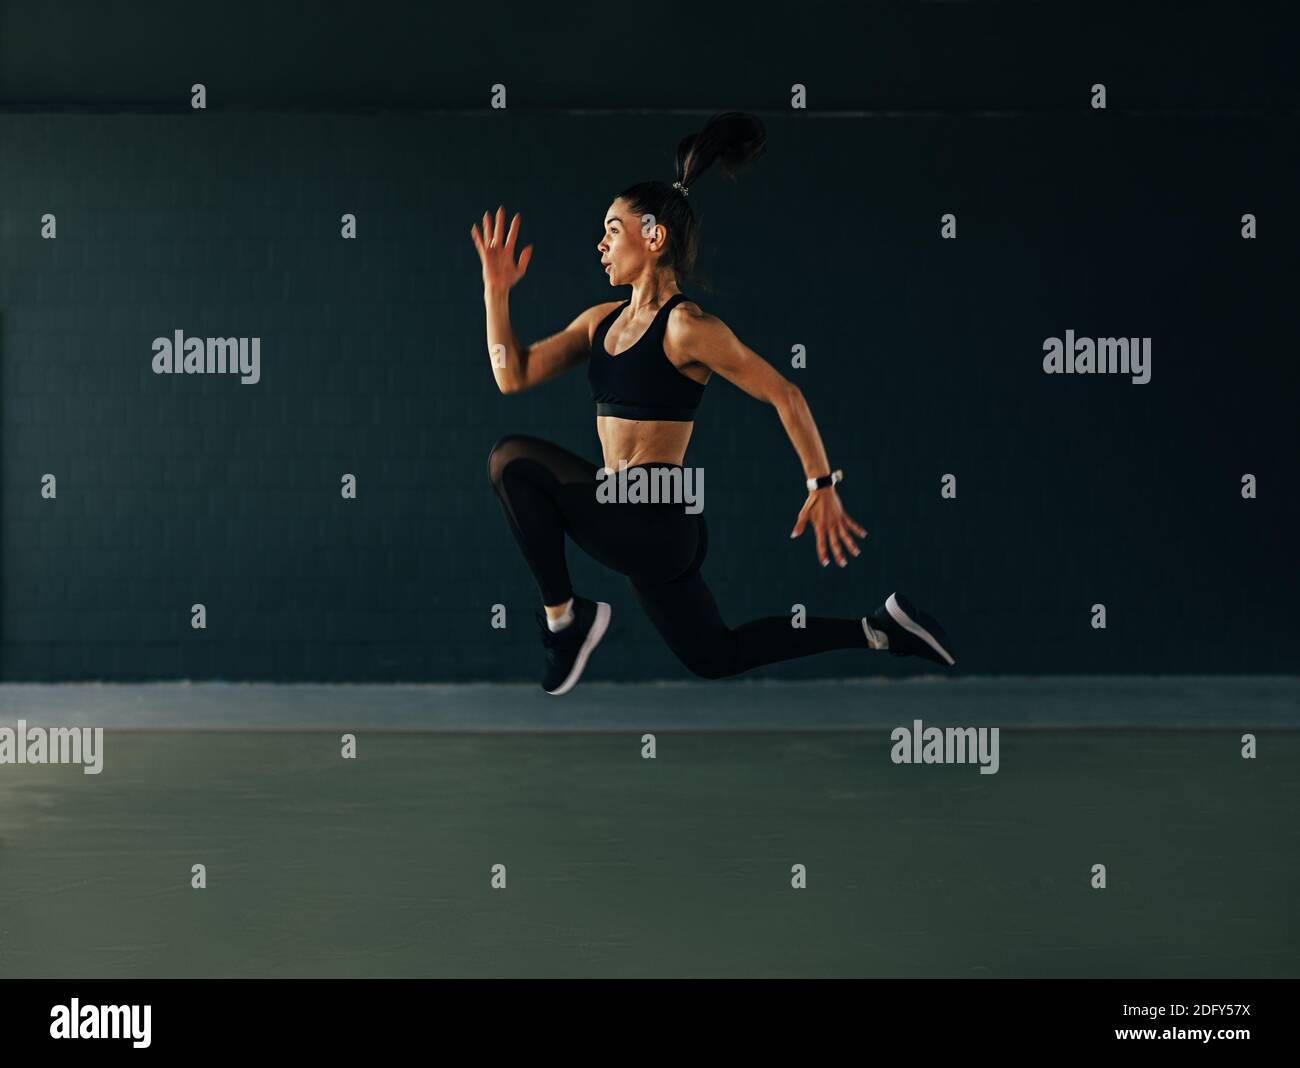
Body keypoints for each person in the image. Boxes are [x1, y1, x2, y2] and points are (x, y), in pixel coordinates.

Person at [473, 112, 954, 695]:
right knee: (714, 655)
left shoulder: (686, 329)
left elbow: (785, 393)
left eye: (613, 229)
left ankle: (565, 622)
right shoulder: (599, 321)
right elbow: (512, 374)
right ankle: (880, 630)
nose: (599, 243)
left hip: (657, 516)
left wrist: (821, 485)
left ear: (653, 237)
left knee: (510, 460)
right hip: (626, 516)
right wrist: (495, 294)